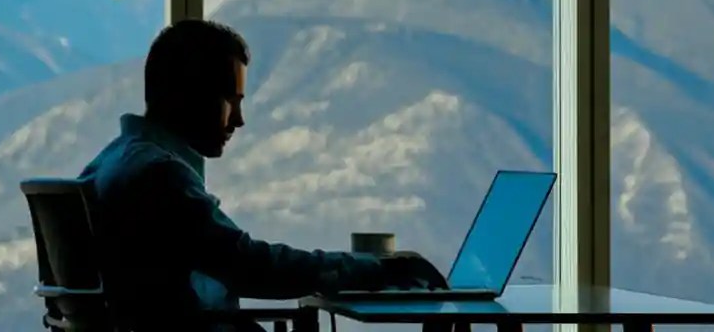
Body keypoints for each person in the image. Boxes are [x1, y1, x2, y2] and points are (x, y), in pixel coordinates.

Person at [80, 19, 450, 332]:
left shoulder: (112, 163)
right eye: (232, 101)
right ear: (190, 95)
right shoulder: (159, 177)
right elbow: (252, 267)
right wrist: (379, 271)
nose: (238, 120)